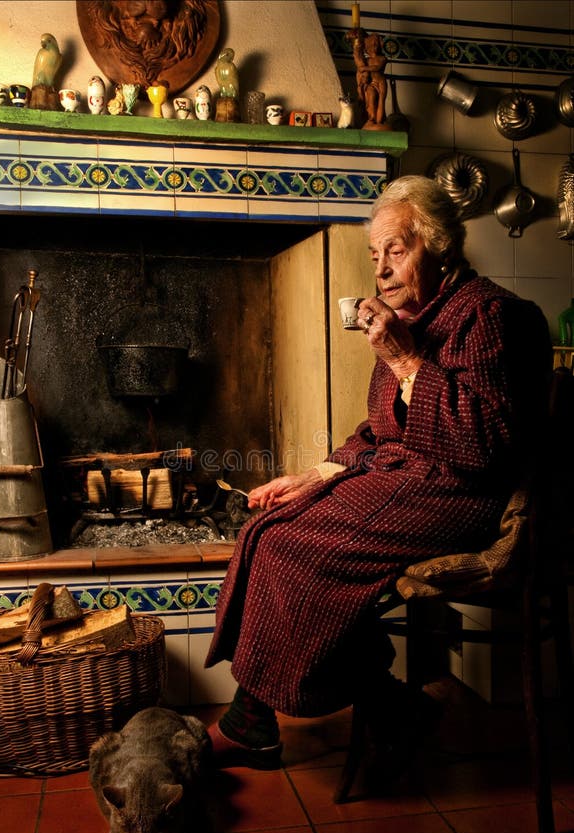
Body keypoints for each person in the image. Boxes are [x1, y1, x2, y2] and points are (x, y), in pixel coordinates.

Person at [205, 175, 553, 778]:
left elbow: (487, 444)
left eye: (397, 250)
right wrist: (314, 474)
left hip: (464, 495)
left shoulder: (494, 316)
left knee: (292, 546)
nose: (382, 270)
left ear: (439, 246)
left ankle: (253, 723)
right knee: (270, 525)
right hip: (406, 482)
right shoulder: (413, 315)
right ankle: (390, 704)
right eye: (375, 255)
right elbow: (377, 431)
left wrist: (405, 359)